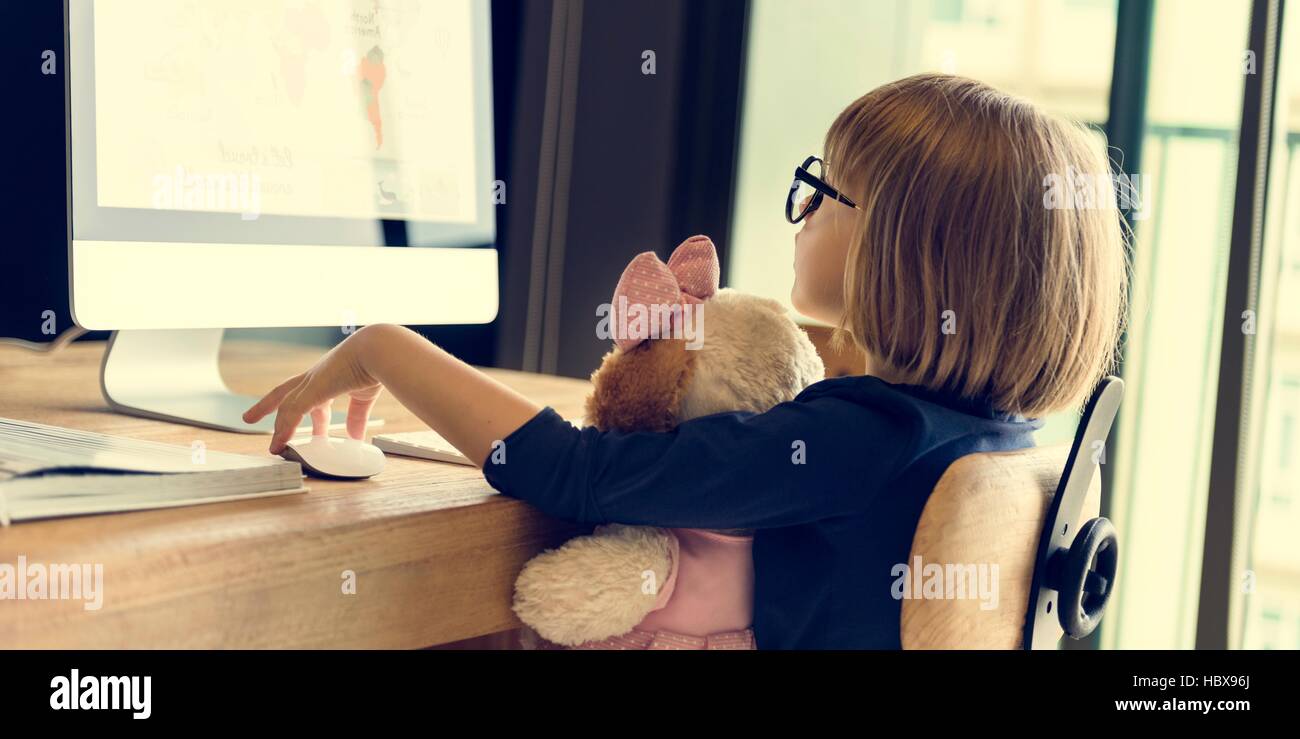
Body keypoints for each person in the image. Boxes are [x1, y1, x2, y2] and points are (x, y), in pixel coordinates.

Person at [244, 73, 1128, 648]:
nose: (803, 210)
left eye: (824, 192)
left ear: (901, 249)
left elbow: (570, 473)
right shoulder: (1002, 440)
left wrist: (383, 345)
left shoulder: (859, 440)